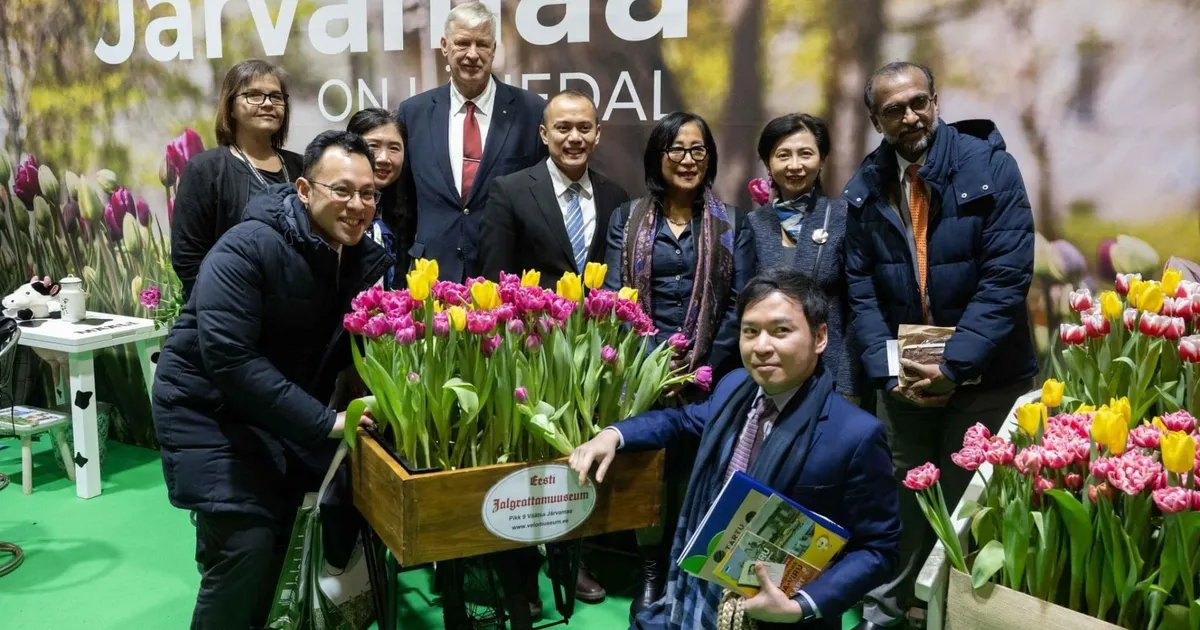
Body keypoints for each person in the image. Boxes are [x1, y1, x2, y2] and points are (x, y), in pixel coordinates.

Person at [568, 269, 901, 630]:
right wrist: (613, 435)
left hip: (775, 616)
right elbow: (681, 421)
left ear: (820, 337)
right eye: (750, 331)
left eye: (781, 331)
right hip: (692, 595)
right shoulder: (735, 388)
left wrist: (800, 606)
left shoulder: (855, 434)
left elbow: (878, 549)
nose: (761, 346)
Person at [151, 131, 390, 630]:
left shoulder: (354, 255)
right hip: (207, 411)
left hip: (277, 413)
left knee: (287, 539)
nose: (357, 205)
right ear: (304, 190)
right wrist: (326, 420)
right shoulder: (247, 246)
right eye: (341, 190)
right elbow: (230, 359)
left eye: (368, 194)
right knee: (246, 548)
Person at [842, 61, 1036, 630]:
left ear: (935, 98)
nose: (911, 117)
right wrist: (889, 370)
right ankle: (884, 614)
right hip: (904, 384)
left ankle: (955, 619)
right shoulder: (865, 186)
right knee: (901, 503)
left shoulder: (991, 168)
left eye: (918, 102)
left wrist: (955, 364)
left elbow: (1006, 277)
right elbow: (859, 290)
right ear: (874, 118)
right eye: (894, 110)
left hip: (986, 379)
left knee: (970, 508)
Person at [601, 111, 756, 619]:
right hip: (639, 369)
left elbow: (739, 303)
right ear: (658, 157)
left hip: (711, 371)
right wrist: (650, 366)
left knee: (696, 471)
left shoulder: (732, 221)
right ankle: (649, 570)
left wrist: (701, 363)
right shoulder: (626, 219)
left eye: (698, 151)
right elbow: (611, 296)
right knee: (649, 473)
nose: (688, 160)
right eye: (677, 150)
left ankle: (683, 571)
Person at [396, 1, 548, 283]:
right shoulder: (412, 113)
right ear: (444, 45)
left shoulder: (532, 111)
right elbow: (402, 205)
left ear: (494, 48)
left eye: (482, 44)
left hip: (505, 276)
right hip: (431, 277)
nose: (472, 54)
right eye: (463, 43)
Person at [748, 114, 863, 404]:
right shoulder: (752, 223)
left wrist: (849, 385)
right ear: (768, 163)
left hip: (831, 375)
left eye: (806, 154)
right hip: (769, 375)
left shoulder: (842, 217)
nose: (795, 165)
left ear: (822, 160)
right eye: (783, 155)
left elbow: (859, 307)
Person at [171, 59, 304, 299]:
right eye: (253, 95)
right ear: (230, 106)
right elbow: (187, 259)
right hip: (230, 309)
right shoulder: (205, 170)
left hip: (298, 309)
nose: (267, 103)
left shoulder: (303, 167)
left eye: (276, 97)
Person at [479, 89, 631, 287]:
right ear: (544, 134)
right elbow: (495, 279)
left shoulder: (615, 197)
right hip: (533, 317)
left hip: (596, 316)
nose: (575, 137)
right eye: (563, 128)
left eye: (585, 128)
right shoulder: (510, 192)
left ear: (597, 134)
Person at [347, 108, 414, 288]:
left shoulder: (409, 212)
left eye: (394, 148)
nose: (384, 158)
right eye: (373, 146)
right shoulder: (335, 207)